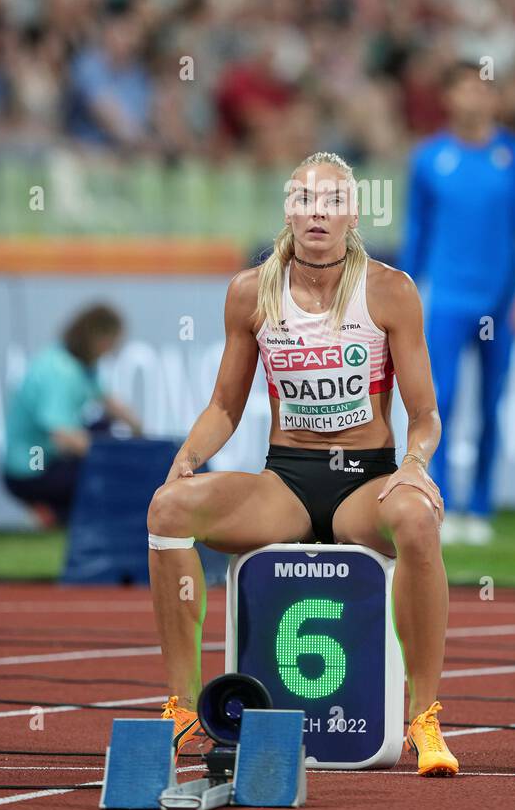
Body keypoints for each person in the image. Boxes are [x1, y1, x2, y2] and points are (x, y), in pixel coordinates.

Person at [147, 151, 458, 777]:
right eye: (305, 200)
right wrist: (187, 457)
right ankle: (181, 705)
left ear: (353, 213)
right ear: (287, 211)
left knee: (418, 520)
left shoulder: (390, 291)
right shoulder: (249, 292)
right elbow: (224, 408)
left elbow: (425, 413)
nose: (318, 213)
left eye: (332, 201)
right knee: (168, 509)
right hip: (285, 482)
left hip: (365, 484)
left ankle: (425, 716)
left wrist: (416, 462)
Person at [399, 60, 515, 544]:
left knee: (492, 403)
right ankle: (436, 501)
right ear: (448, 99)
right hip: (446, 299)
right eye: (461, 89)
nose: (471, 98)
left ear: (493, 98)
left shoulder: (514, 155)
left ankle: (479, 506)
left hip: (500, 301)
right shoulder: (429, 159)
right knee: (437, 404)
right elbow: (416, 233)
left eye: (480, 89)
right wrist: (404, 294)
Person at [2, 304, 141, 526]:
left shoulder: (77, 362)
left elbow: (109, 402)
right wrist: (113, 459)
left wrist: (138, 431)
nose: (113, 350)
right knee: (102, 472)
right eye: (113, 342)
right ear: (98, 338)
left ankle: (56, 512)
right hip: (30, 473)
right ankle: (54, 513)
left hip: (46, 461)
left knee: (103, 430)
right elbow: (63, 436)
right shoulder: (61, 372)